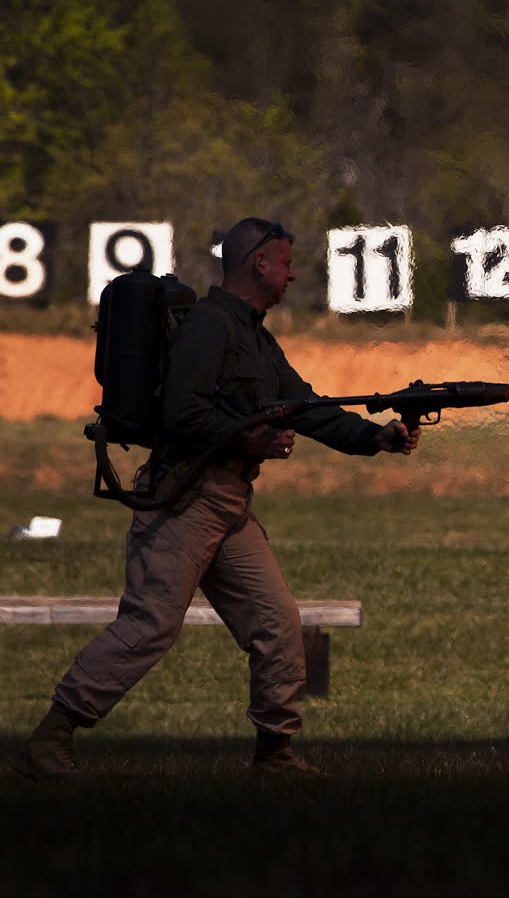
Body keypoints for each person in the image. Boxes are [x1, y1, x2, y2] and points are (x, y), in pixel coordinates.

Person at [19, 217, 420, 779]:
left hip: (229, 503)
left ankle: (274, 755)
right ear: (258, 262)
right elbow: (182, 415)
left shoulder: (255, 335)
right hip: (185, 498)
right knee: (149, 626)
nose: (291, 273)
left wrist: (374, 437)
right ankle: (51, 737)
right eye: (284, 262)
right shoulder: (210, 327)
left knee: (278, 623)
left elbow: (303, 406)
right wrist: (246, 437)